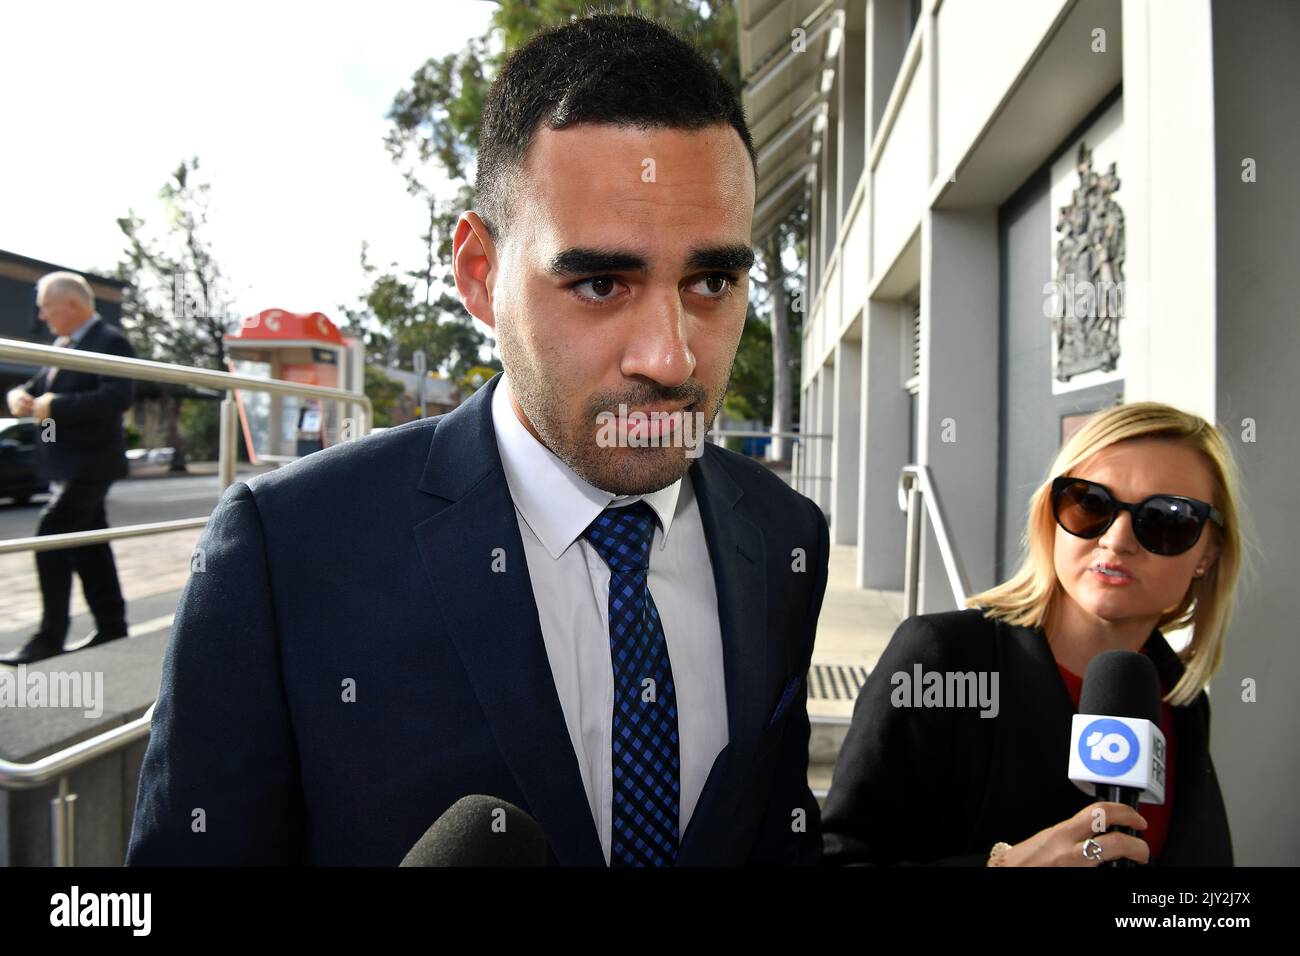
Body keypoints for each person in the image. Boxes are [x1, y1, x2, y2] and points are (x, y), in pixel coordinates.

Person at [127, 12, 828, 866]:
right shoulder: (285, 553)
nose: (670, 355)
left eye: (712, 279)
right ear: (479, 276)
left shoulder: (787, 535)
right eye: (602, 282)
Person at [822, 402, 1242, 866]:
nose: (1117, 539)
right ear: (1051, 513)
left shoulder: (1182, 701)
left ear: (1208, 553)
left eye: (1165, 519)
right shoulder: (942, 657)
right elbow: (842, 857)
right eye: (1090, 502)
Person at [2, 272, 135, 664]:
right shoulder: (62, 345)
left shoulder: (109, 341)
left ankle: (49, 637)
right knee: (90, 546)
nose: (42, 315)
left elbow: (117, 396)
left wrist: (54, 405)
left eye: (46, 306)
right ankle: (112, 627)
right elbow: (32, 387)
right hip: (65, 463)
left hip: (89, 462)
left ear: (73, 304)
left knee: (50, 540)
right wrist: (20, 396)